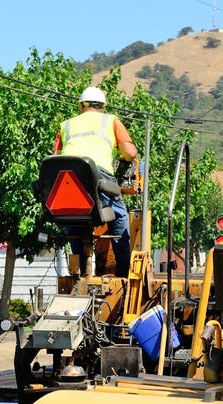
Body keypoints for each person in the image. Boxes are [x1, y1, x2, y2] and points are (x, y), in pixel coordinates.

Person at [53, 86, 138, 277]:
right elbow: (131, 153)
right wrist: (123, 157)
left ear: (81, 105)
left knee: (73, 216)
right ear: (103, 106)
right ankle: (123, 271)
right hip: (99, 178)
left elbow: (55, 158)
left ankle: (79, 271)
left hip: (68, 182)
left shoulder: (65, 125)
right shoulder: (111, 121)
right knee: (120, 215)